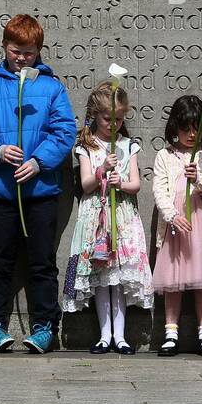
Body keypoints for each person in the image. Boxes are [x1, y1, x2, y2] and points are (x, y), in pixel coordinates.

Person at [0, 14, 77, 354]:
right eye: (16, 51)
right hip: (1, 192)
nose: (21, 58)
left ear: (39, 52)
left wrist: (38, 161)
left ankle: (46, 325)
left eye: (29, 53)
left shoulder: (52, 88)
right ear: (4, 47)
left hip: (40, 192)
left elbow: (64, 132)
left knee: (42, 262)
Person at [63, 81, 153, 354]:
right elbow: (86, 184)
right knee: (102, 277)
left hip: (123, 215)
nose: (113, 124)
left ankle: (121, 335)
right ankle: (104, 334)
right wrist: (102, 169)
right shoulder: (86, 146)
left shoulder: (128, 145)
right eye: (106, 118)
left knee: (119, 279)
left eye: (119, 119)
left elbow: (135, 184)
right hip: (96, 215)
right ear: (95, 115)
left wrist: (121, 182)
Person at [151, 95, 202, 357]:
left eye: (197, 128)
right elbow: (159, 189)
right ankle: (170, 333)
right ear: (175, 127)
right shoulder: (165, 155)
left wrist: (199, 178)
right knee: (173, 278)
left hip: (201, 223)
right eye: (186, 128)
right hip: (176, 225)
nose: (191, 134)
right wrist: (171, 214)